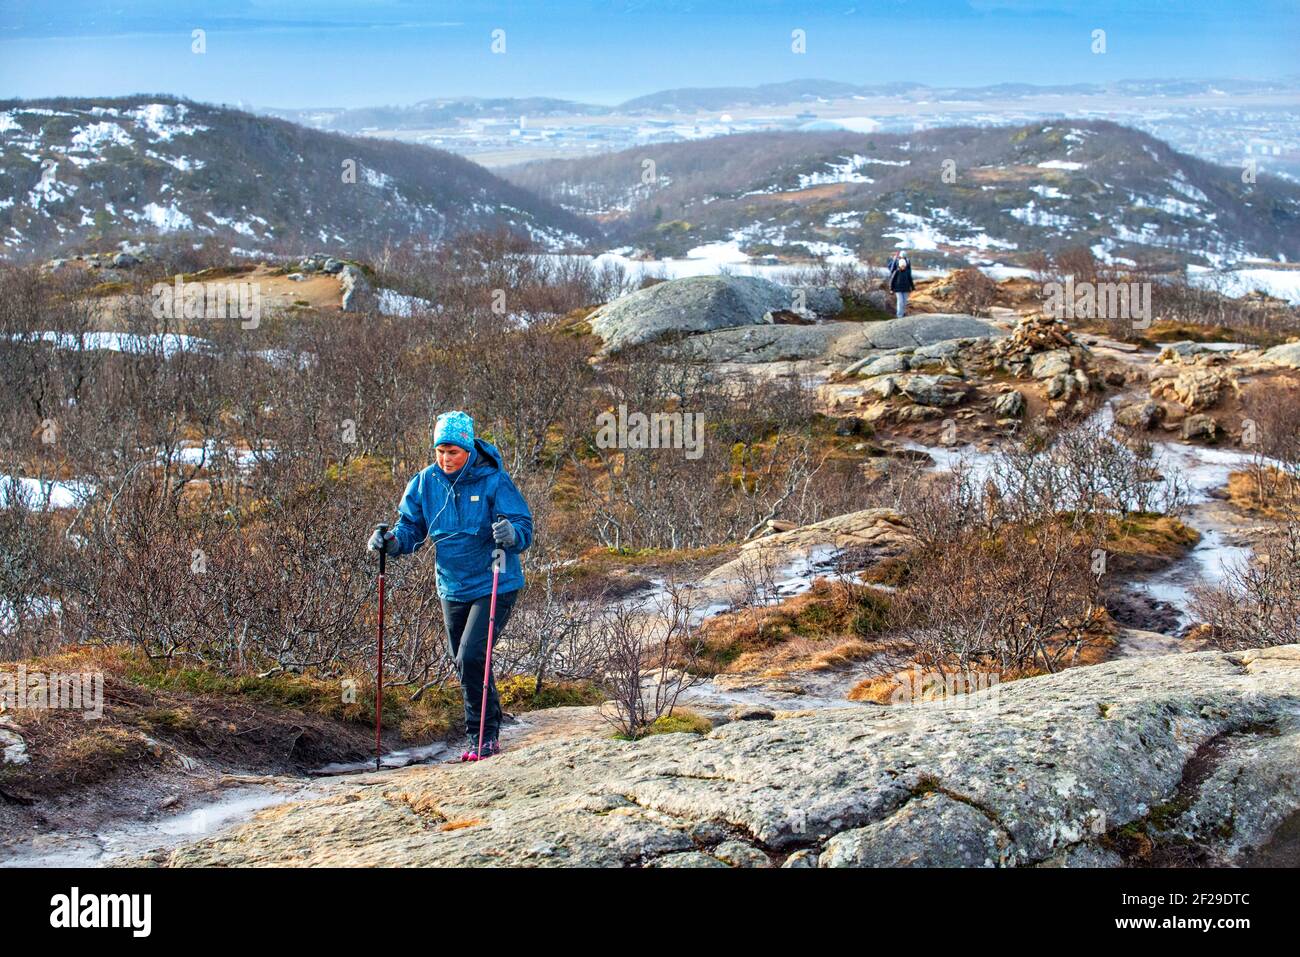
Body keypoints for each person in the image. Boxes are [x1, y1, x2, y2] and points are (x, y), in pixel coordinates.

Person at [368, 410, 533, 761]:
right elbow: (411, 528)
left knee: (472, 655)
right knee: (465, 661)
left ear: (469, 449)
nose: (445, 459)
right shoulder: (425, 482)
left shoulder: (493, 480)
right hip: (451, 585)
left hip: (495, 578)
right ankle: (490, 724)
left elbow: (522, 525)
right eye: (440, 450)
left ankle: (483, 737)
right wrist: (391, 542)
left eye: (453, 452)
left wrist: (512, 533)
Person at [887, 247, 915, 318]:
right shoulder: (896, 271)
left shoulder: (907, 269)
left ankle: (902, 313)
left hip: (905, 288)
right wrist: (891, 289)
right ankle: (899, 315)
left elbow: (910, 279)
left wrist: (912, 287)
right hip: (898, 288)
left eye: (904, 266)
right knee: (900, 301)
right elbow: (892, 280)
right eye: (902, 266)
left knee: (904, 302)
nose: (903, 267)